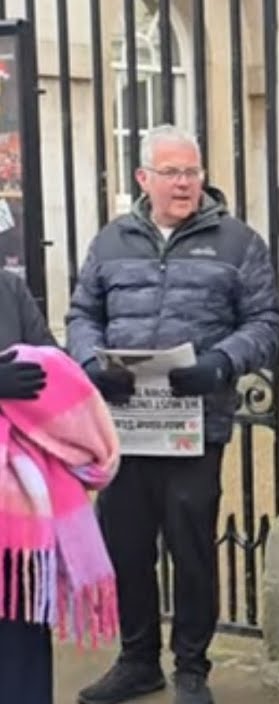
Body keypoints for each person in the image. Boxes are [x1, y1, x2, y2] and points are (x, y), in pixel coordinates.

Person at [67, 124, 279, 704]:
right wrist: (91, 361)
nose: (184, 182)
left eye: (192, 171)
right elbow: (82, 312)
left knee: (191, 550)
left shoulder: (239, 243)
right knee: (126, 546)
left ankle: (192, 669)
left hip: (194, 425)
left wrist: (220, 363)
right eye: (172, 172)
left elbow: (265, 323)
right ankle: (138, 660)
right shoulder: (110, 241)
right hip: (124, 425)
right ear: (144, 179)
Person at [0, 274, 120, 704]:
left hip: (18, 519)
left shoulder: (7, 288)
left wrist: (40, 375)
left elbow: (52, 364)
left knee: (20, 636)